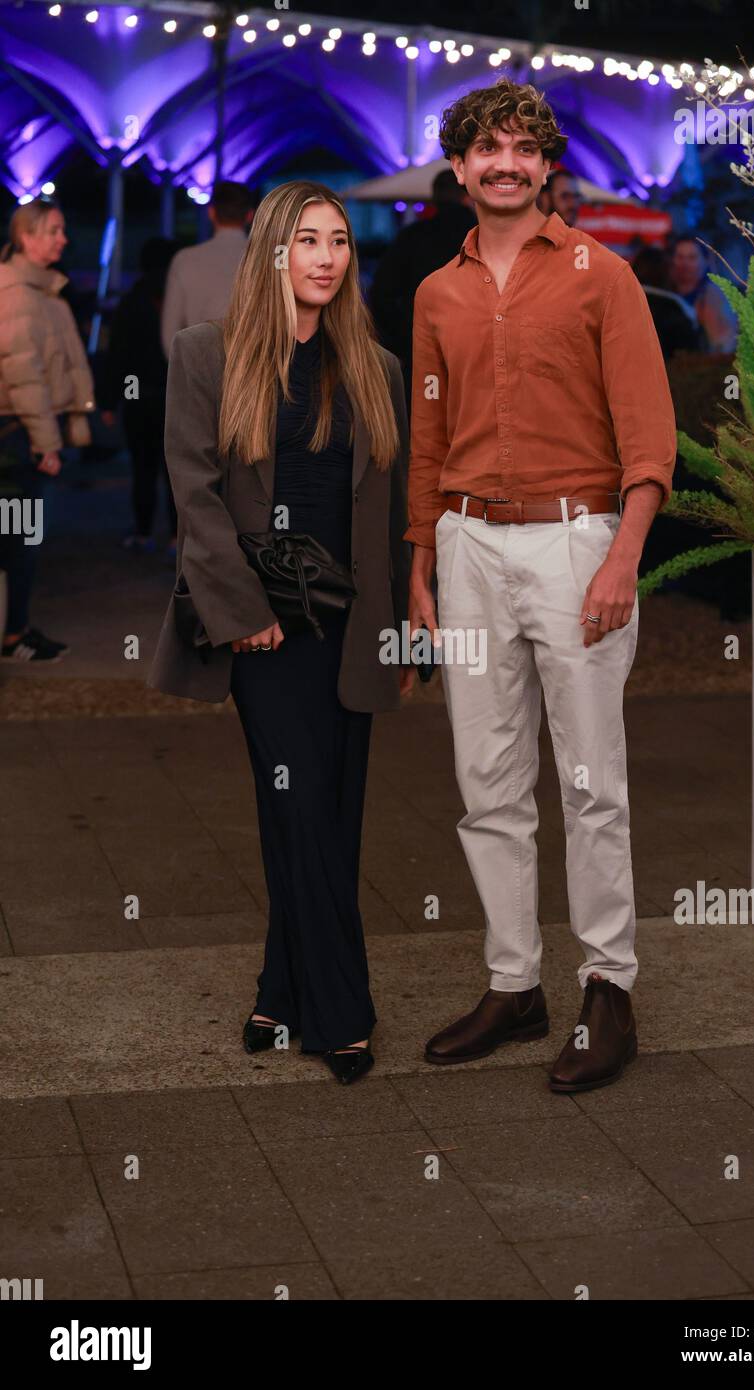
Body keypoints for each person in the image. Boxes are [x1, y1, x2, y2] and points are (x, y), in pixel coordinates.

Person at [407, 77, 676, 1093]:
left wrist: (620, 559)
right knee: (486, 783)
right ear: (462, 167)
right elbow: (428, 439)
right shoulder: (437, 292)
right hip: (466, 544)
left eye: (523, 147)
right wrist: (419, 566)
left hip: (576, 542)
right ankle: (512, 983)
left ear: (547, 164)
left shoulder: (600, 276)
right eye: (487, 149)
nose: (505, 163)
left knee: (588, 783)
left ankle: (607, 988)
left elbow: (648, 437)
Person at [147, 181, 413, 1086]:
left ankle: (279, 988)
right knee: (299, 807)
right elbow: (195, 493)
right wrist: (241, 614)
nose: (327, 257)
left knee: (328, 818)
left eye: (339, 241)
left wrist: (405, 628)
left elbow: (388, 513)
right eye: (307, 240)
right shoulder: (206, 355)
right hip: (264, 630)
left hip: (349, 627)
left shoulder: (375, 367)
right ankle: (343, 1012)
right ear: (271, 251)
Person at [0, 197, 94, 661]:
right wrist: (46, 444)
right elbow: (23, 376)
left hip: (28, 434)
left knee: (21, 536)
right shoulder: (18, 294)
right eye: (53, 230)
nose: (63, 239)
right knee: (21, 537)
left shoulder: (39, 289)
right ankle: (13, 634)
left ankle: (15, 627)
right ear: (26, 236)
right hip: (21, 437)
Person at [100, 236, 178, 553]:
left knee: (142, 468)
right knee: (175, 472)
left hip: (137, 397)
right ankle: (177, 536)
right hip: (174, 397)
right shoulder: (177, 296)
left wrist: (108, 401)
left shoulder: (131, 301)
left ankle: (144, 532)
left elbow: (116, 354)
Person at [369, 168, 475, 400]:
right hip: (475, 356)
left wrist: (404, 341)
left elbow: (380, 295)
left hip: (421, 353)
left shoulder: (412, 237)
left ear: (434, 197)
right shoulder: (481, 234)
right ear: (467, 195)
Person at [160, 180, 254, 358]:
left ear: (211, 213)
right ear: (250, 215)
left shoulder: (185, 260)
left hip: (200, 370)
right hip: (257, 374)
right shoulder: (269, 259)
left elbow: (170, 335)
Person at [668, 235, 738, 352]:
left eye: (692, 258)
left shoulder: (714, 296)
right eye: (680, 257)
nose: (685, 264)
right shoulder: (667, 294)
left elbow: (722, 343)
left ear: (705, 261)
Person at [630, 244, 700, 359]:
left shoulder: (620, 303)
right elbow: (691, 357)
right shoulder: (674, 311)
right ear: (666, 271)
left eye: (692, 257)